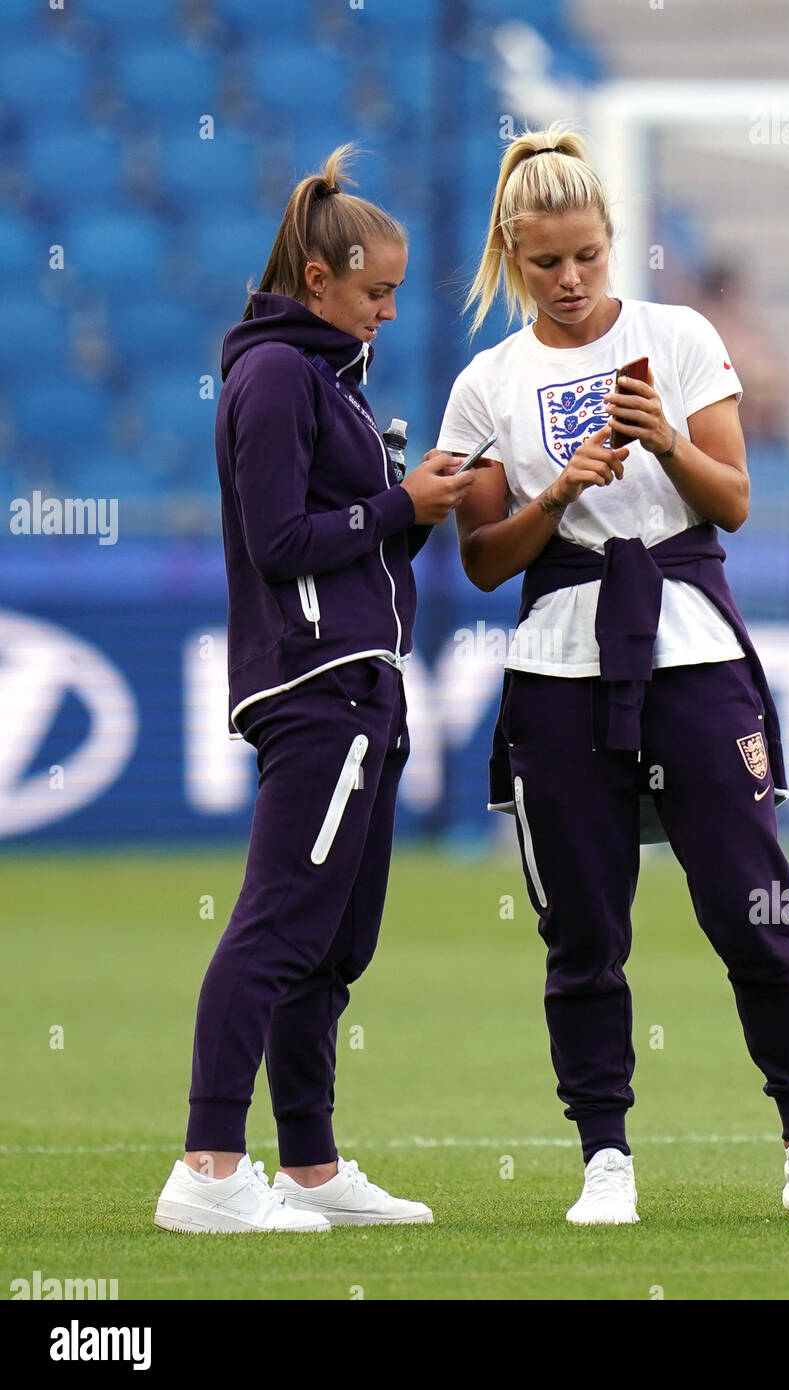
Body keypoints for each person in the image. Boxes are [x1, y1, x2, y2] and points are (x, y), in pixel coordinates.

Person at [437, 124, 789, 1226]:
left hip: (690, 651)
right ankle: (604, 1158)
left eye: (585, 255)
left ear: (610, 241)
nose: (569, 279)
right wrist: (555, 493)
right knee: (581, 929)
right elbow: (484, 561)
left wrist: (665, 443)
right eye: (544, 262)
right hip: (558, 661)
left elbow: (729, 501)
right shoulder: (488, 380)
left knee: (753, 905)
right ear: (510, 254)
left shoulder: (678, 338)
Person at [154, 146, 473, 1233]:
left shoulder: (324, 379)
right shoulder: (280, 375)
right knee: (279, 925)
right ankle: (206, 1165)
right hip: (315, 685)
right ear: (319, 277)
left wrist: (411, 507)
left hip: (361, 685)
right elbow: (281, 541)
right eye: (375, 291)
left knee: (335, 945)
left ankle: (309, 1164)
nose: (386, 312)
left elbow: (360, 547)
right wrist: (401, 508)